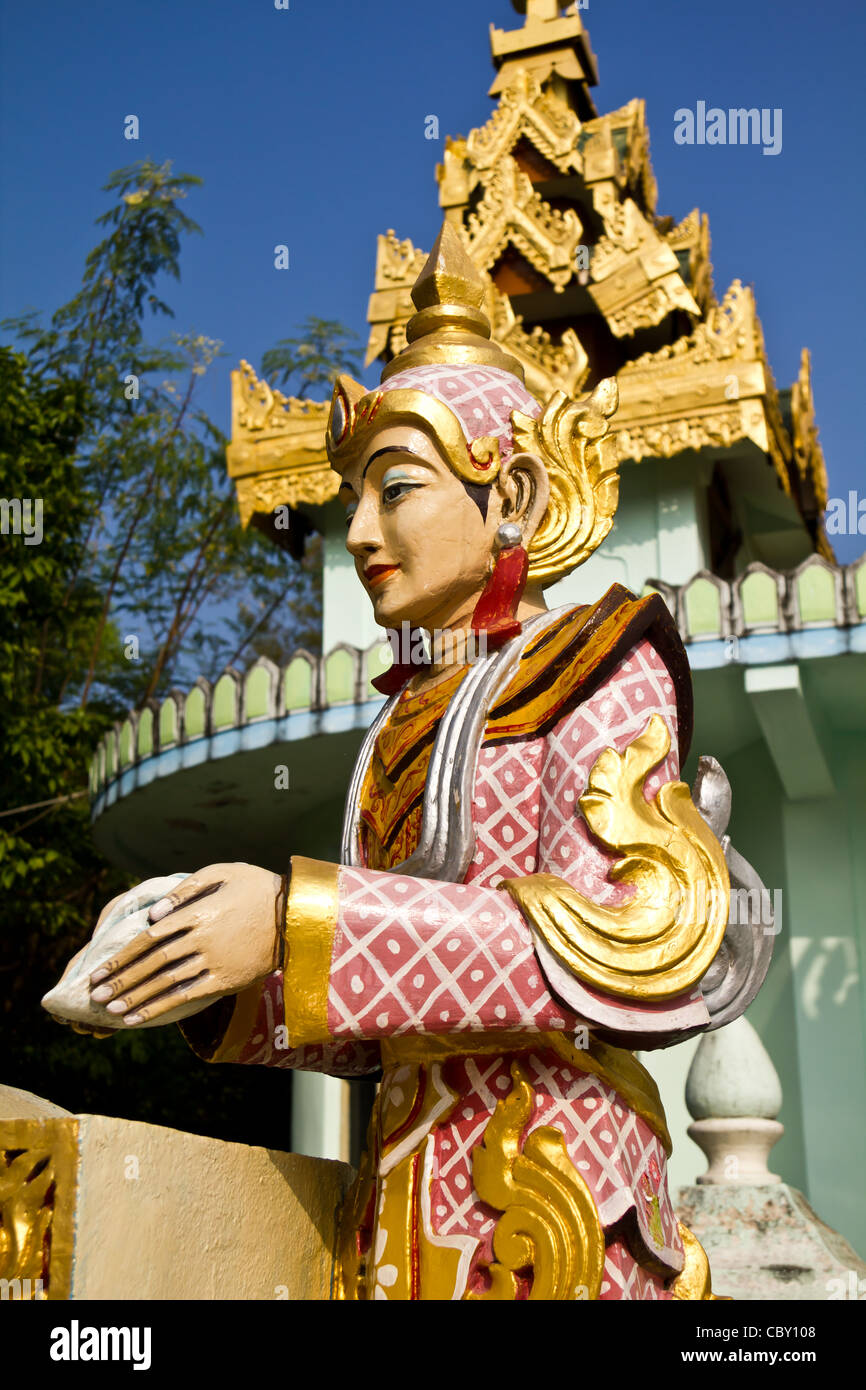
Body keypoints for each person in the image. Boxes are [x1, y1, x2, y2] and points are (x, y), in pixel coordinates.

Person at [77, 222, 732, 1300]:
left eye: (397, 490)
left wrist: (297, 923)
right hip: (394, 1202)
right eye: (352, 505)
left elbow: (638, 938)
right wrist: (208, 966)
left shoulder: (600, 661)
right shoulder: (397, 724)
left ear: (509, 499)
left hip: (558, 1195)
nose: (363, 534)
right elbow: (381, 1014)